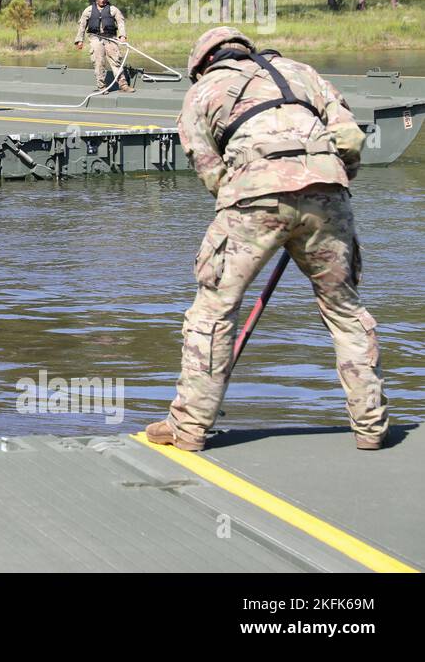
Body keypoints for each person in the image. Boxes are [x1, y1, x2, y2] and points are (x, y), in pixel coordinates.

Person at [145, 27, 386, 452]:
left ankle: (189, 428)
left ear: (202, 64)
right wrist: (327, 185)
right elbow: (350, 138)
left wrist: (256, 205)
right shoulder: (301, 72)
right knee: (345, 312)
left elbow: (209, 168)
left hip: (252, 195)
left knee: (213, 312)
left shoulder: (202, 92)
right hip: (328, 192)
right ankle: (371, 428)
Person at [73, 0, 134, 93]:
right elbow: (82, 26)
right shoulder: (88, 10)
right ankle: (101, 87)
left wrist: (122, 36)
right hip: (95, 38)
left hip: (111, 39)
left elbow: (120, 22)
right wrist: (79, 40)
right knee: (99, 62)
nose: (102, 0)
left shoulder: (113, 10)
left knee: (116, 61)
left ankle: (123, 85)